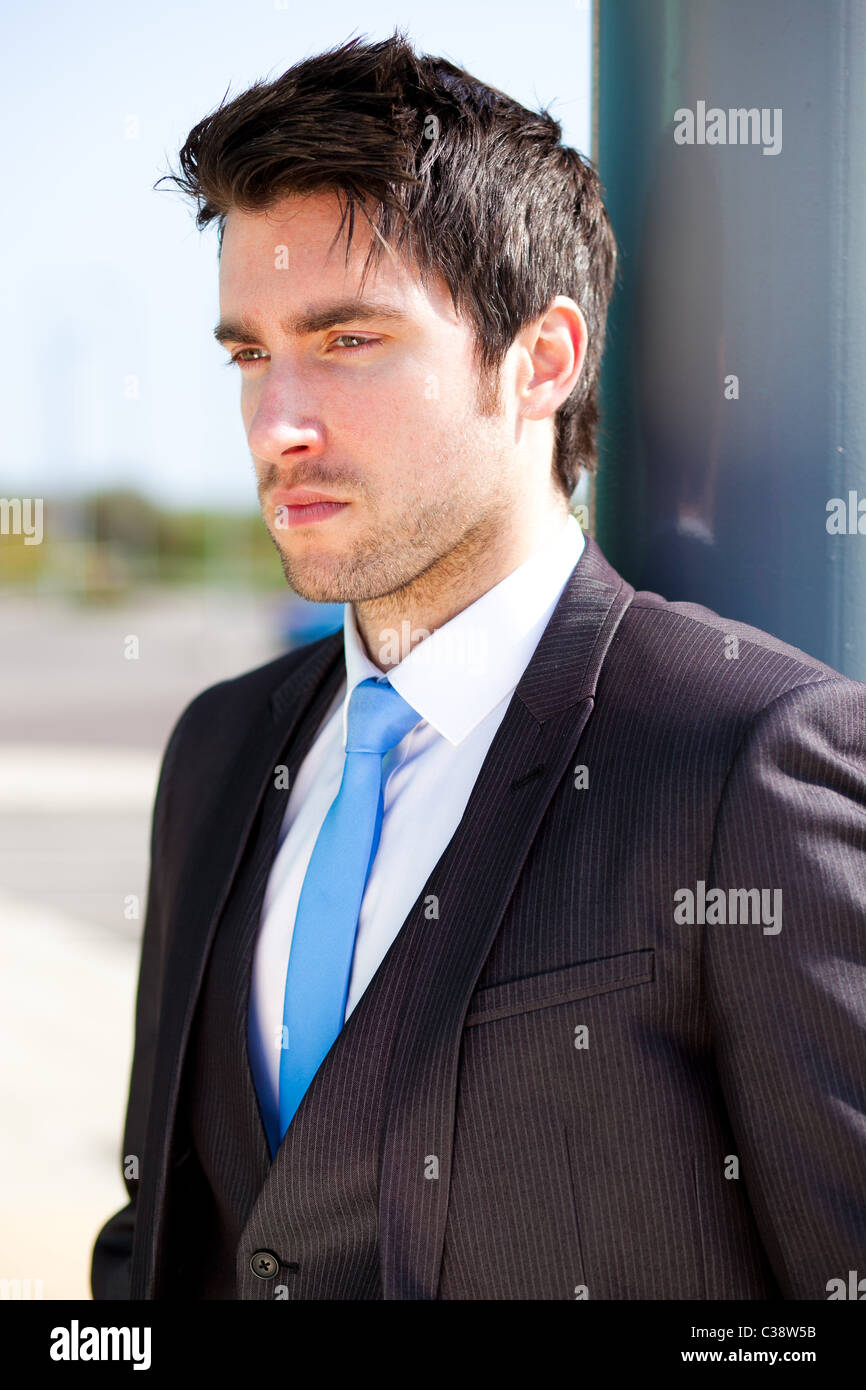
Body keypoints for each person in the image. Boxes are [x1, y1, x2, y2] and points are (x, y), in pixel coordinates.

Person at [91, 30, 866, 1301]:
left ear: (540, 360)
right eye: (248, 353)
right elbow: (163, 1231)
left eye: (346, 340)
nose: (277, 421)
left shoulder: (747, 755)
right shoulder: (219, 752)